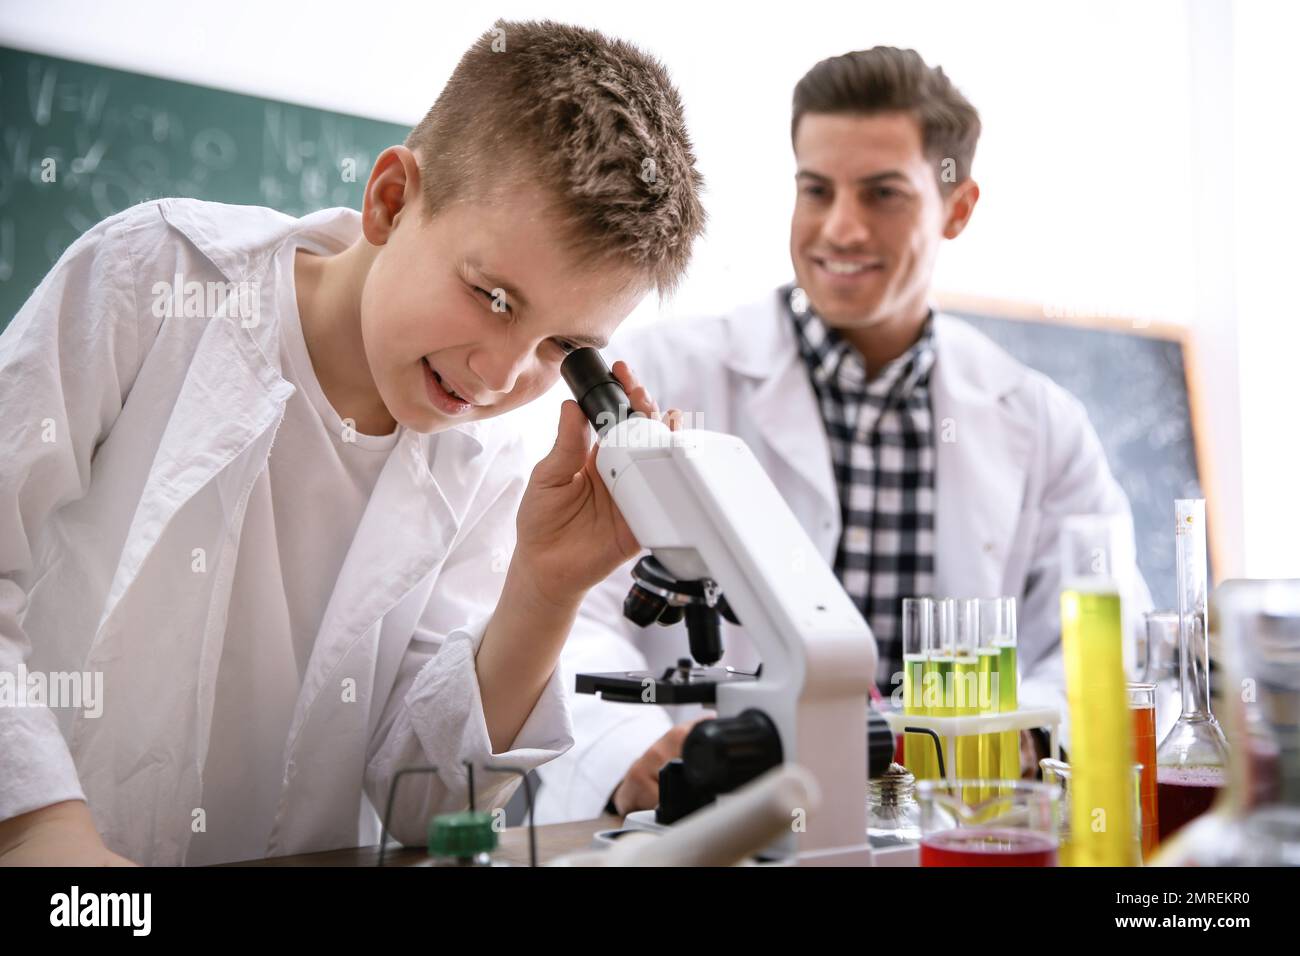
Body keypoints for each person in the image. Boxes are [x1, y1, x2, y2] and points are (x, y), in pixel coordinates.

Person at [0, 19, 705, 865]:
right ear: (391, 201)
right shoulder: (155, 277)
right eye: (493, 296)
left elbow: (424, 808)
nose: (500, 372)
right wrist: (38, 822)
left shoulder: (488, 466)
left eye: (561, 347)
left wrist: (544, 591)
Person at [533, 45, 1150, 824]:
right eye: (815, 190)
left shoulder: (1042, 423)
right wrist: (629, 749)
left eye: (883, 193)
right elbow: (568, 609)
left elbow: (1106, 631)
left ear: (958, 208)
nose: (840, 227)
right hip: (727, 822)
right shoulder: (665, 373)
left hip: (954, 827)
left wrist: (1008, 729)